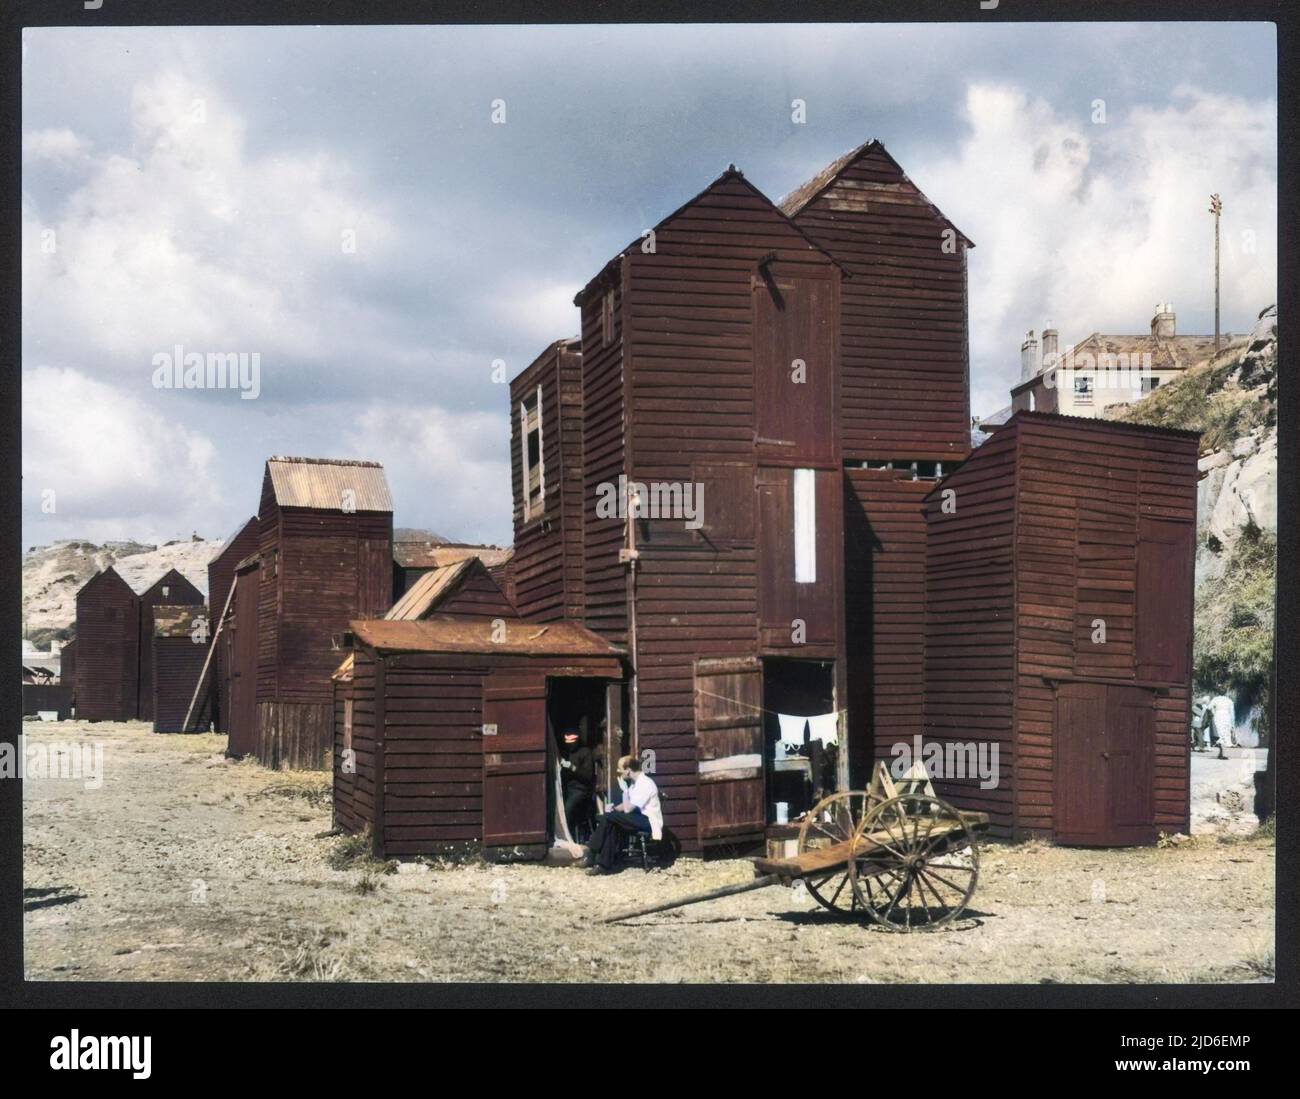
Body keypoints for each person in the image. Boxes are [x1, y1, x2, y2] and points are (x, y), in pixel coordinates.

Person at [582, 754, 662, 874]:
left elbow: (628, 809)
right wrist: (613, 808)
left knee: (610, 817)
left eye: (620, 769)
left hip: (648, 821)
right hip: (637, 818)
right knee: (612, 820)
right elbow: (627, 805)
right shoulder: (635, 783)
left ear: (628, 770)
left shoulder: (645, 783)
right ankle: (603, 865)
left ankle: (591, 854)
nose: (618, 771)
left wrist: (625, 791)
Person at [559, 728, 596, 839]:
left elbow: (588, 776)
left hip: (580, 789)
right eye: (568, 744)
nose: (570, 746)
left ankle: (568, 837)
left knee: (568, 809)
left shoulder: (585, 752)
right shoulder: (564, 752)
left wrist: (573, 768)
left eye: (572, 743)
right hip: (566, 788)